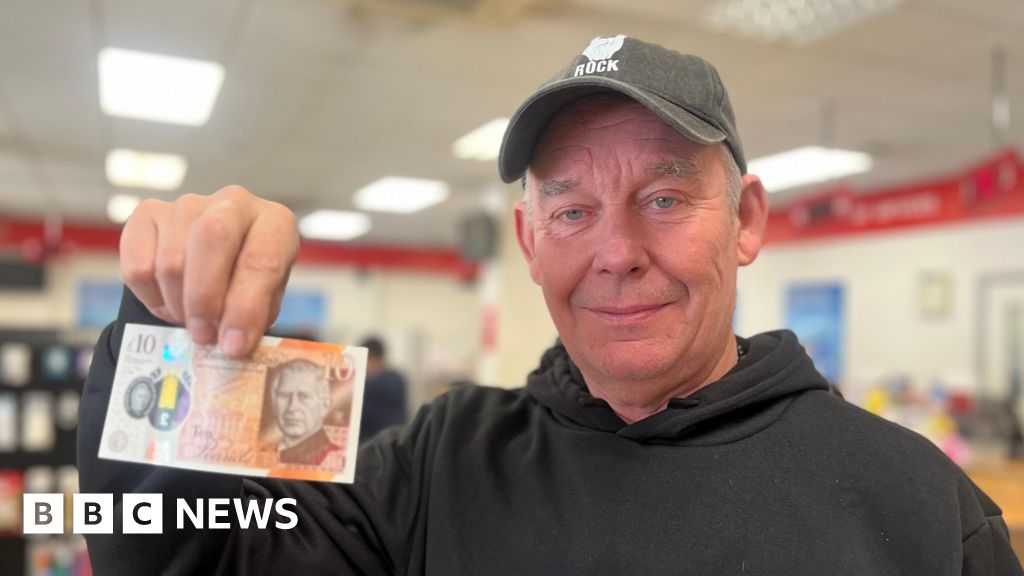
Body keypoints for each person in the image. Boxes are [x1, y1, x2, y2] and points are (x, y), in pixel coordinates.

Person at [78, 35, 1023, 575]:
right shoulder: (435, 462)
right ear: (529, 244)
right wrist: (180, 333)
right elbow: (179, 564)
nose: (616, 253)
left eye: (663, 198)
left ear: (745, 221)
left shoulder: (926, 511)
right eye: (571, 210)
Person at [268, 358, 341, 465]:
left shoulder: (333, 457)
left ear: (325, 406)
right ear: (274, 404)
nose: (292, 407)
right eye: (284, 395)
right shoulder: (267, 453)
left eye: (304, 397)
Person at [357, 336, 408, 443]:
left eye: (365, 361)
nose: (363, 367)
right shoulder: (395, 379)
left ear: (374, 359)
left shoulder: (390, 382)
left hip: (384, 446)